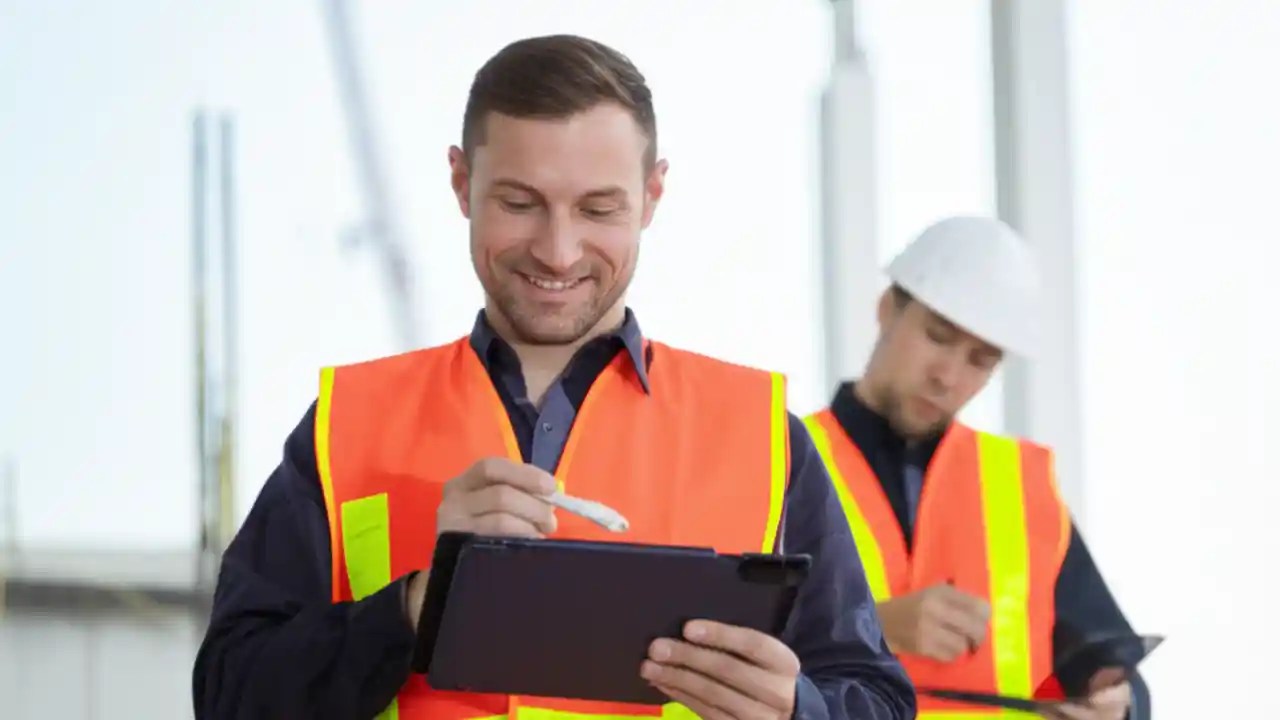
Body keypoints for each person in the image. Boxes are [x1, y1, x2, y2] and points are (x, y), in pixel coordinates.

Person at [192, 34, 915, 720]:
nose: (559, 251)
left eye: (599, 209)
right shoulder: (346, 425)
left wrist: (794, 708)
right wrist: (414, 606)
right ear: (460, 181)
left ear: (653, 196)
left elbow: (876, 698)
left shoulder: (760, 437)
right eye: (519, 203)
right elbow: (230, 695)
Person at [803, 216, 1150, 720]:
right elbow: (722, 646)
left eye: (980, 360)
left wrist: (1118, 705)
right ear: (886, 310)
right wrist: (869, 625)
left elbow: (1102, 664)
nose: (948, 377)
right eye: (937, 337)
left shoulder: (1022, 485)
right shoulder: (786, 458)